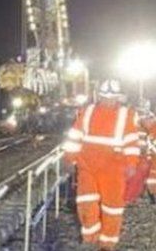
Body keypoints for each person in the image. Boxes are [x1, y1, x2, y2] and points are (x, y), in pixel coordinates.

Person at [63, 79, 140, 250]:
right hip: (87, 165)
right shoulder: (87, 111)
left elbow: (131, 142)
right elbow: (75, 135)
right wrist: (69, 157)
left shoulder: (126, 115)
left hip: (114, 166)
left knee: (112, 206)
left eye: (112, 98)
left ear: (119, 98)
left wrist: (131, 164)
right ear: (99, 96)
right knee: (86, 201)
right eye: (105, 97)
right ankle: (90, 238)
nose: (108, 101)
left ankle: (107, 243)